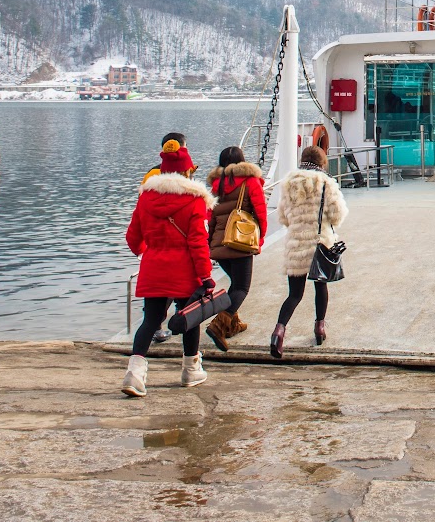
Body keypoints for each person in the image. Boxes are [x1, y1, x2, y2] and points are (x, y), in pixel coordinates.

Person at [122, 139, 216, 397]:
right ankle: (190, 369)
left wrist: (149, 250)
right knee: (189, 319)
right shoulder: (195, 200)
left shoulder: (146, 197)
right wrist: (206, 275)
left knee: (151, 320)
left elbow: (133, 238)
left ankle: (135, 373)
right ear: (187, 172)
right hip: (185, 268)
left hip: (153, 265)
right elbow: (198, 242)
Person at [270, 145, 348, 358]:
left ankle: (278, 332)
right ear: (322, 161)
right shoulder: (326, 183)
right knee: (320, 286)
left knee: (294, 294)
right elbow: (337, 215)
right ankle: (319, 328)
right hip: (320, 243)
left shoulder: (289, 183)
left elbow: (283, 217)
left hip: (296, 245)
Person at [203, 145, 267, 352]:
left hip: (219, 245)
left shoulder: (215, 186)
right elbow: (261, 212)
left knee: (235, 284)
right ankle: (218, 326)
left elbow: (210, 217)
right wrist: (261, 238)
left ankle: (233, 325)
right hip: (240, 242)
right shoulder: (250, 182)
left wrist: (209, 242)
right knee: (242, 288)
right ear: (242, 162)